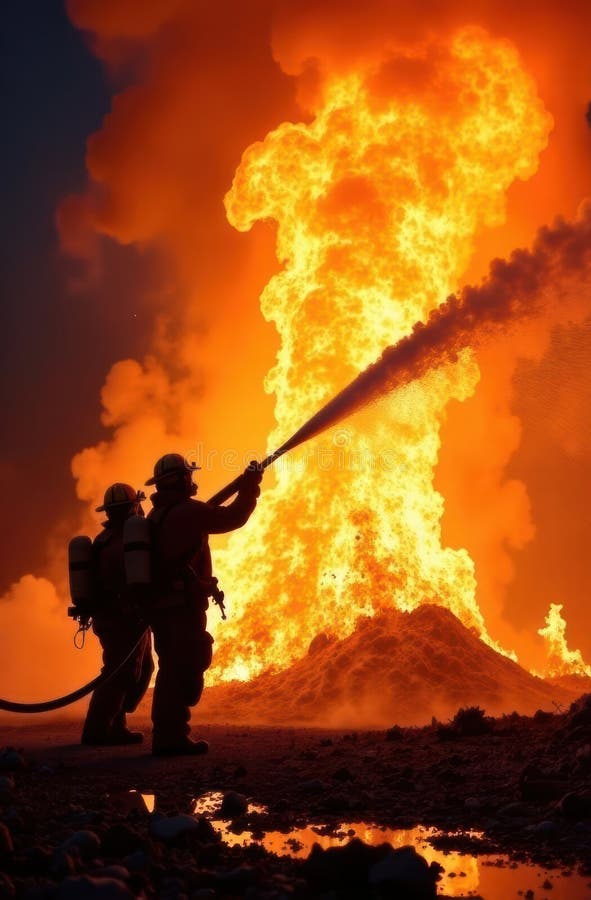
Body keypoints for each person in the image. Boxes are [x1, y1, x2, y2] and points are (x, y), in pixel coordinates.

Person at [146, 453, 262, 756]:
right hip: (182, 606)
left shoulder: (157, 516)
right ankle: (171, 737)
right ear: (183, 479)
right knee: (184, 664)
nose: (191, 480)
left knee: (171, 665)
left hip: (163, 606)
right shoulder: (187, 512)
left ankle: (167, 734)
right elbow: (233, 517)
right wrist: (250, 487)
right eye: (188, 475)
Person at [81, 483, 154, 746]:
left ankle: (116, 724)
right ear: (133, 506)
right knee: (119, 672)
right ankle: (97, 730)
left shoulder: (105, 539)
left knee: (140, 669)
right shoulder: (128, 539)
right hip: (124, 616)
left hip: (116, 615)